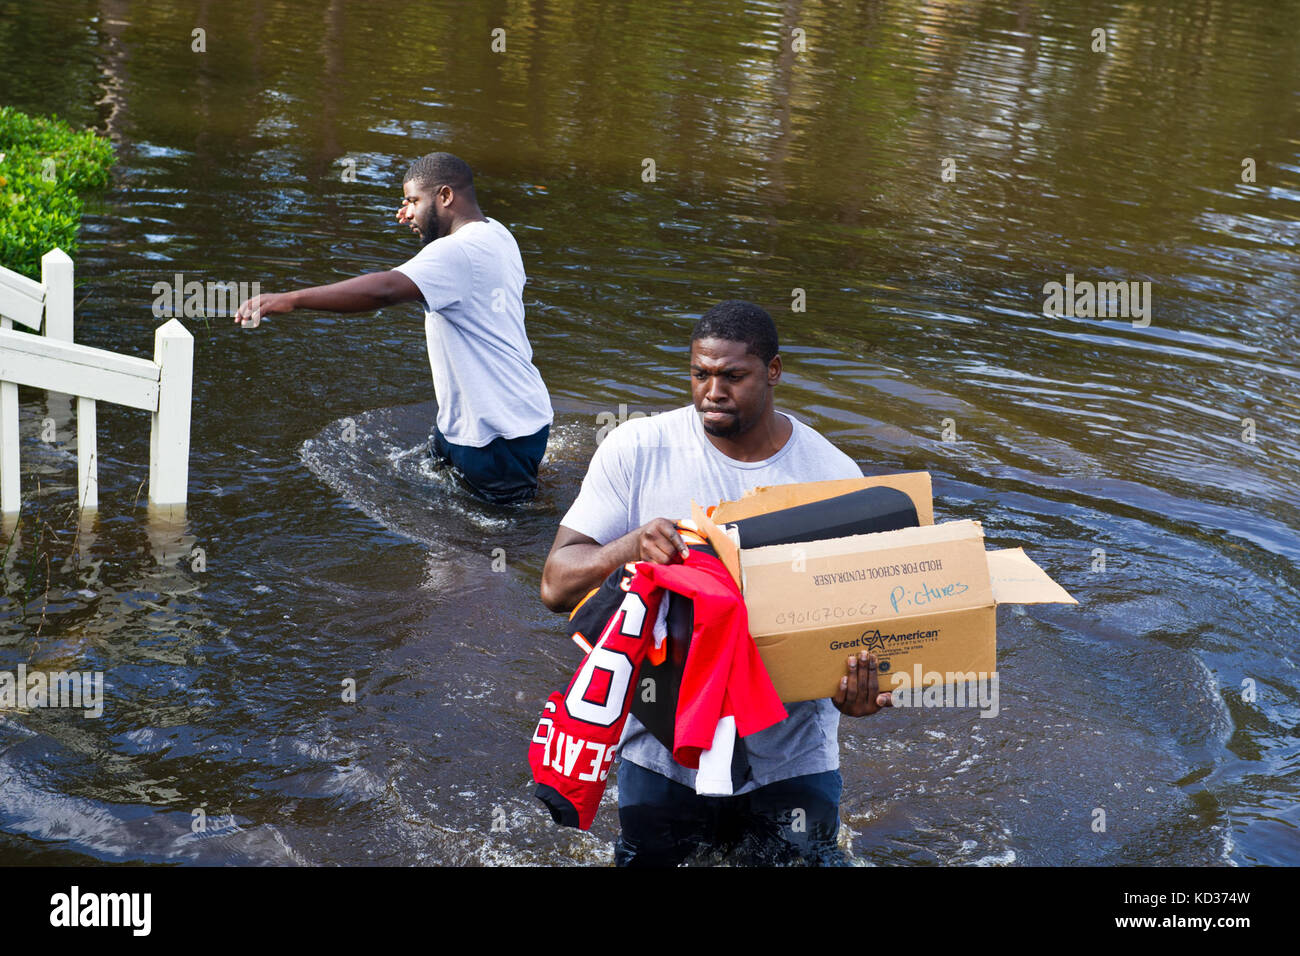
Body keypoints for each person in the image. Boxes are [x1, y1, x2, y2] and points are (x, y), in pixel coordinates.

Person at [540, 299, 891, 866]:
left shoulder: (833, 478)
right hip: (662, 742)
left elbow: (865, 623)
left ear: (773, 371)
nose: (713, 392)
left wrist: (859, 693)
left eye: (733, 376)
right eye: (700, 375)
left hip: (791, 752)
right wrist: (632, 545)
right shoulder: (637, 449)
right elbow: (556, 586)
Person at [234, 152, 552, 503]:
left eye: (414, 201)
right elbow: (449, 267)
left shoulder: (456, 254)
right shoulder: (497, 234)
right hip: (495, 419)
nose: (407, 211)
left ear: (445, 196)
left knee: (494, 535)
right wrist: (426, 221)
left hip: (494, 435)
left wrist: (292, 299)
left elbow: (384, 290)